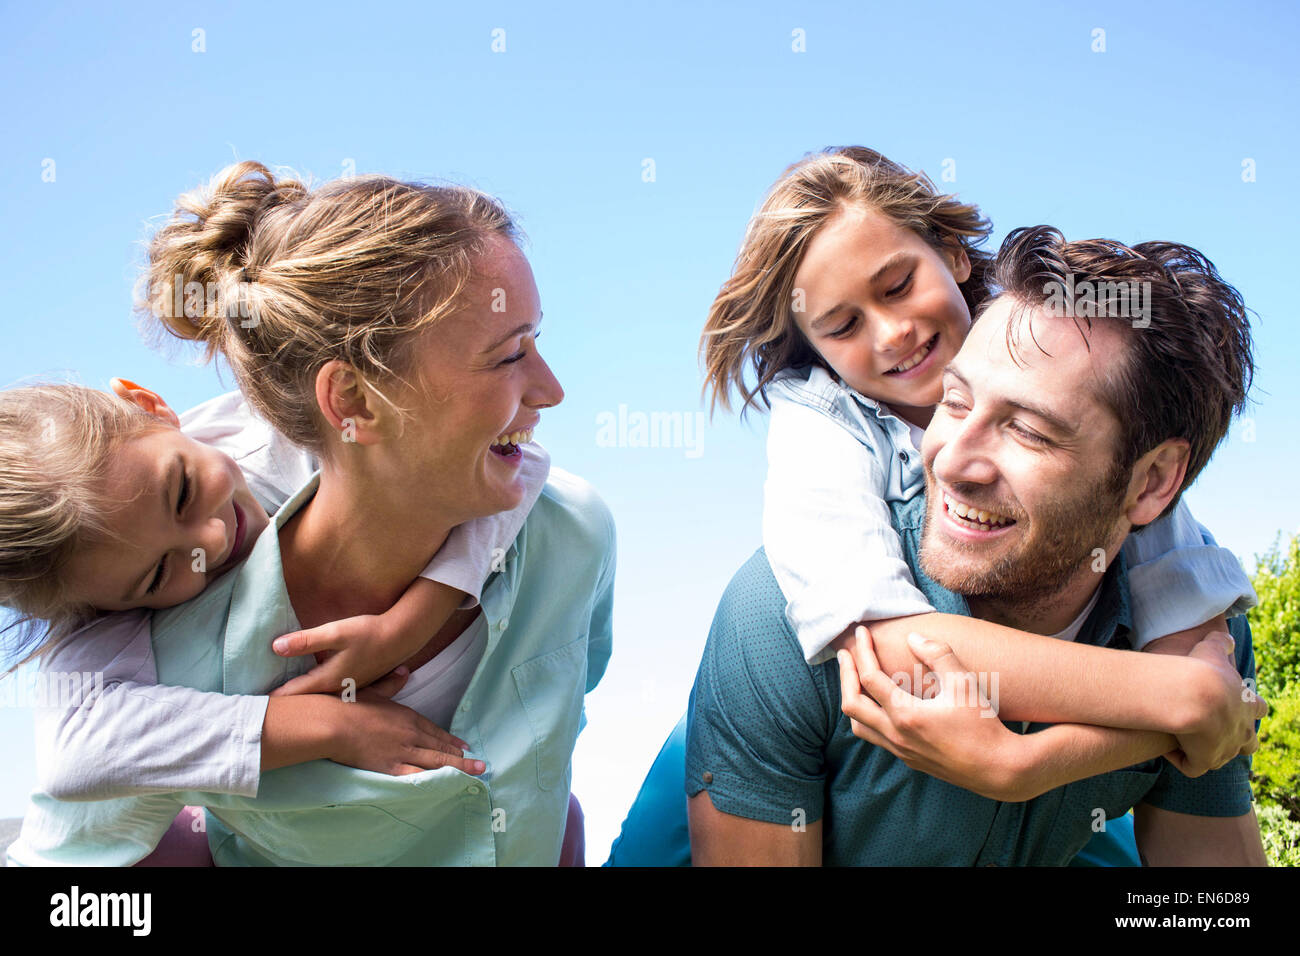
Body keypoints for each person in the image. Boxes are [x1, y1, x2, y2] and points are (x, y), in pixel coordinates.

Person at [604, 148, 1257, 865]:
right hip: (742, 762)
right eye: (843, 325)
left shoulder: (1044, 347)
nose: (892, 334)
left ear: (953, 253)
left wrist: (1174, 682)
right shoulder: (818, 431)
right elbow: (888, 645)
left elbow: (1177, 561)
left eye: (898, 285)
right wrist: (1168, 707)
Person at [7, 160, 615, 866]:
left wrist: (420, 612)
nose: (209, 540)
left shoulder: (573, 536)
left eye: (530, 342)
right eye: (507, 356)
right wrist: (311, 725)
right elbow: (77, 758)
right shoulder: (168, 650)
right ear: (352, 402)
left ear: (149, 407)